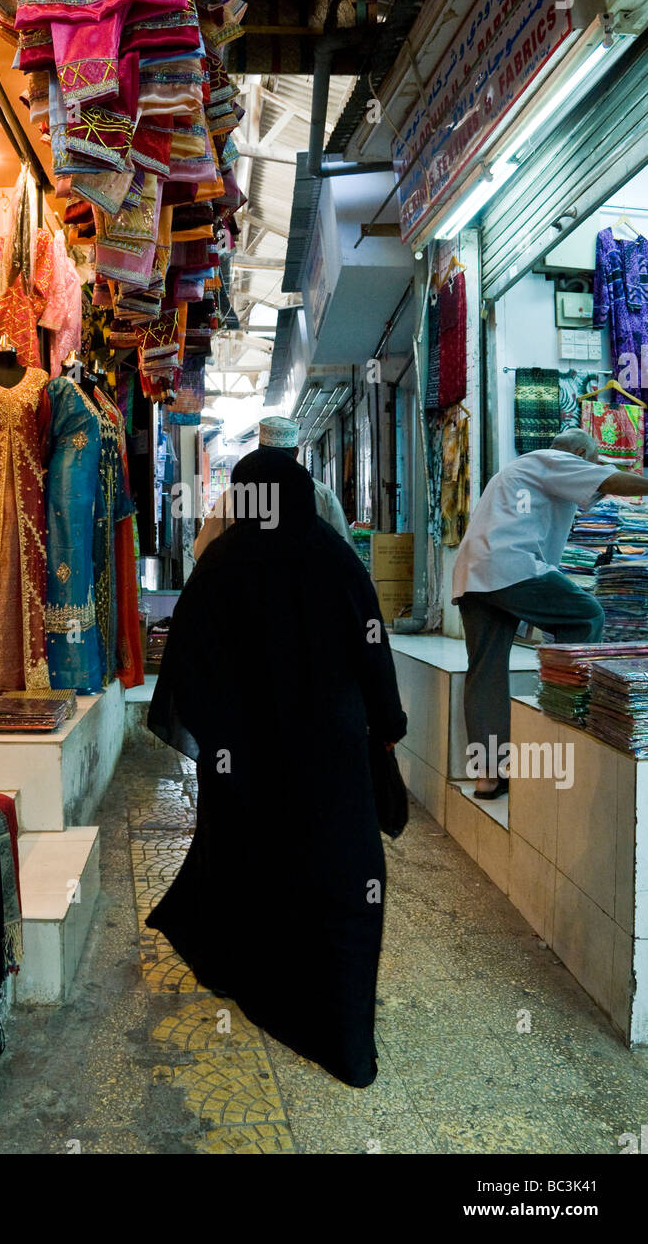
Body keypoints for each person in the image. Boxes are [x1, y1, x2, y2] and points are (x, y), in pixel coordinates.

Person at [147, 447, 407, 1087]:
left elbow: (183, 664)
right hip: (331, 762)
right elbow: (372, 646)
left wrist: (223, 731)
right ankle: (342, 1030)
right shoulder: (335, 557)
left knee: (249, 865)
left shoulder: (222, 564)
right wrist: (388, 727)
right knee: (341, 880)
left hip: (247, 765)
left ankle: (253, 976)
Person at [453, 429, 648, 798]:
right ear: (577, 453)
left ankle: (488, 776)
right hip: (511, 567)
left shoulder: (521, 469)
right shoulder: (556, 460)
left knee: (485, 670)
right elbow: (609, 480)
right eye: (589, 460)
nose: (590, 469)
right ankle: (567, 713)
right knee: (586, 615)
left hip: (474, 575)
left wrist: (611, 471)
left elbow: (599, 484)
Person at [194, 414, 354, 558]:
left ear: (258, 451)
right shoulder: (322, 494)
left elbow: (201, 551)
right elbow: (345, 550)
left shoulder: (232, 496)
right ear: (296, 453)